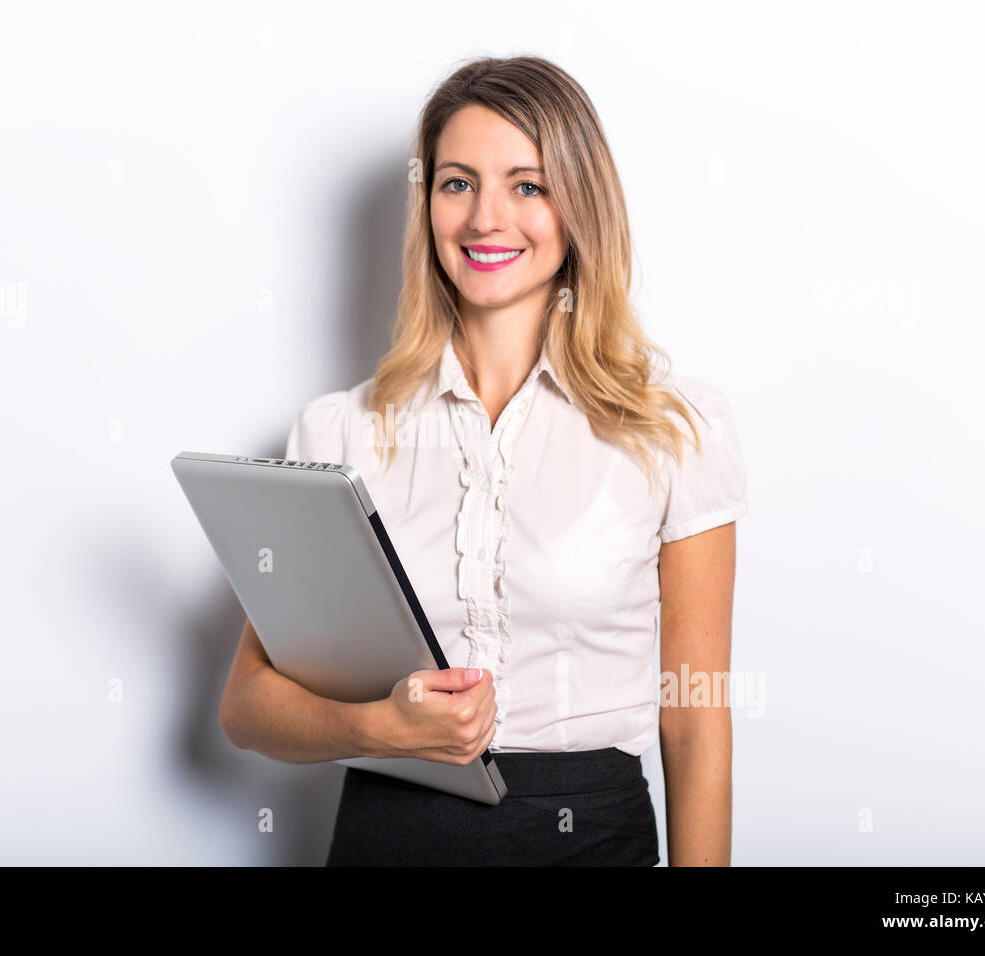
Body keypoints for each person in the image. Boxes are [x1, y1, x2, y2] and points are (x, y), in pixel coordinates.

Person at [219, 55, 749, 866]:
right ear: (426, 201)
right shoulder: (339, 432)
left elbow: (696, 718)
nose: (484, 218)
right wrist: (376, 729)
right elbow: (247, 707)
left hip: (591, 839)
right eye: (457, 183)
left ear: (581, 206)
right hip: (384, 837)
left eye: (527, 185)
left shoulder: (673, 429)